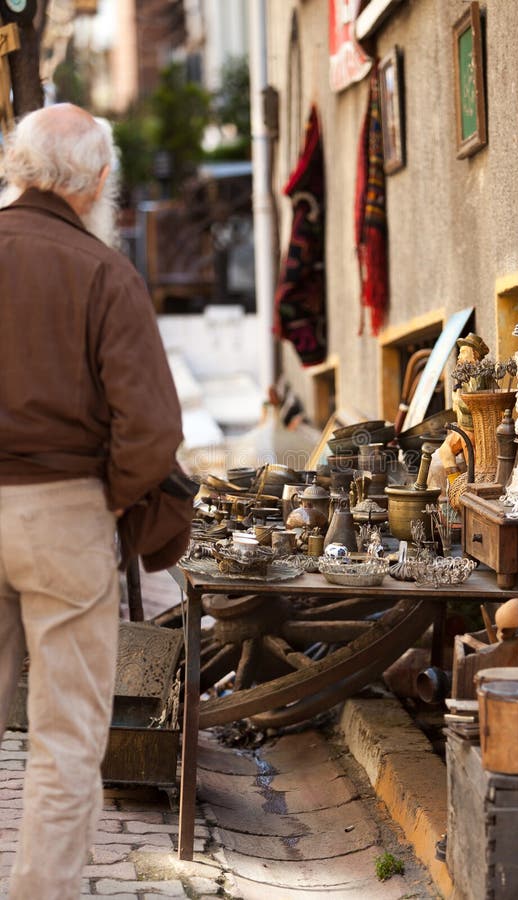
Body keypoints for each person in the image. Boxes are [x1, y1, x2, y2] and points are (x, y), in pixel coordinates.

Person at [0, 104, 184, 899]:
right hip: (64, 511)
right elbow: (152, 429)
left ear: (17, 167)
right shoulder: (103, 272)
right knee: (66, 736)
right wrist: (104, 499)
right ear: (99, 180)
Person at [437, 332, 491, 482]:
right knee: (445, 451)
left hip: (473, 430)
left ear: (474, 355)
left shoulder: (478, 376)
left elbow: (472, 404)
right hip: (464, 428)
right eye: (459, 353)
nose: (459, 357)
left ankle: (469, 489)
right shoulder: (466, 376)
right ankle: (456, 485)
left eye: (463, 352)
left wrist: (457, 397)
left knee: (474, 468)